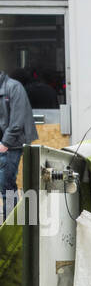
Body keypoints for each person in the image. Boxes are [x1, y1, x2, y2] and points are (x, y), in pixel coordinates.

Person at [0, 69, 38, 208]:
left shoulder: (14, 87)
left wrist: (5, 143)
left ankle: (12, 226)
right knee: (5, 185)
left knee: (6, 186)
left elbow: (17, 121)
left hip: (11, 143)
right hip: (4, 142)